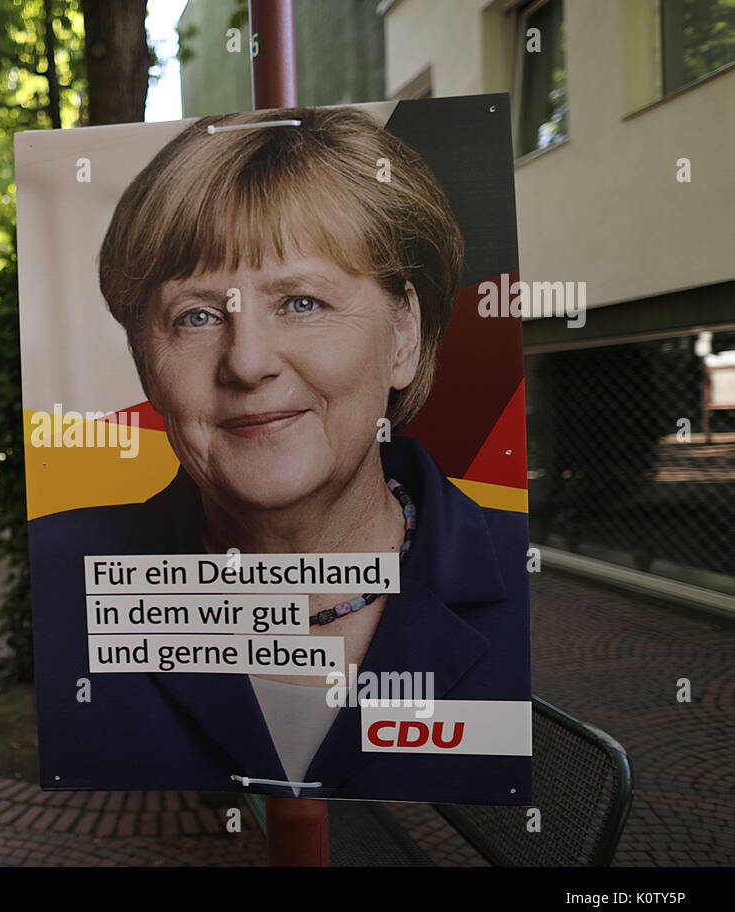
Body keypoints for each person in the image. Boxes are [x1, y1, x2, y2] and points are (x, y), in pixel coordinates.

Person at [29, 106, 530, 804]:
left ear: (403, 334)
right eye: (196, 315)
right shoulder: (56, 576)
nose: (248, 362)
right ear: (146, 360)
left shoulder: (527, 575)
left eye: (301, 302)